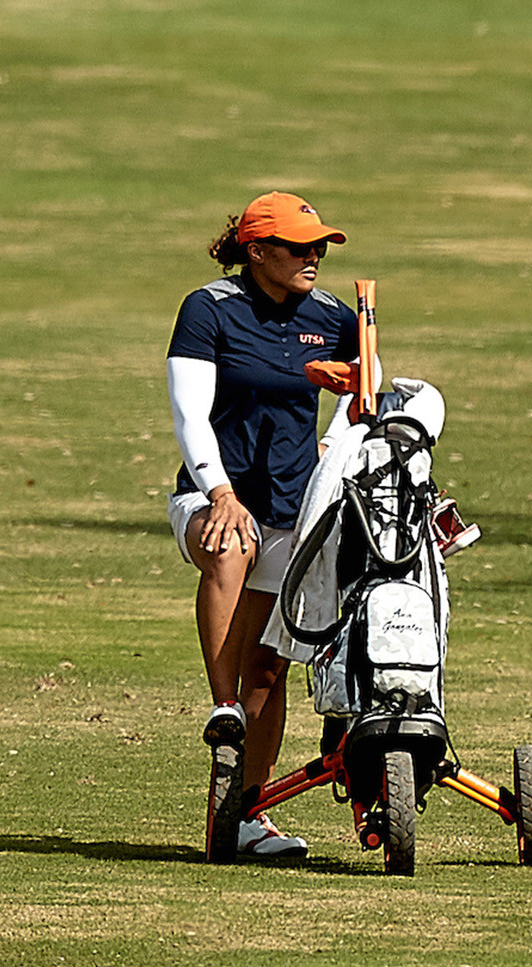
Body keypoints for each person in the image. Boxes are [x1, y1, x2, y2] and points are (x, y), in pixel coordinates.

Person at [165, 192, 359, 857]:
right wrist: (219, 492)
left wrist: (332, 445)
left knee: (269, 669)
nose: (314, 257)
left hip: (292, 506)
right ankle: (223, 709)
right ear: (256, 252)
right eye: (299, 247)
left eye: (320, 246)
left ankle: (247, 817)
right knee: (230, 546)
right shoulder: (209, 310)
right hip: (210, 496)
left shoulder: (334, 316)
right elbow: (189, 412)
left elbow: (362, 397)